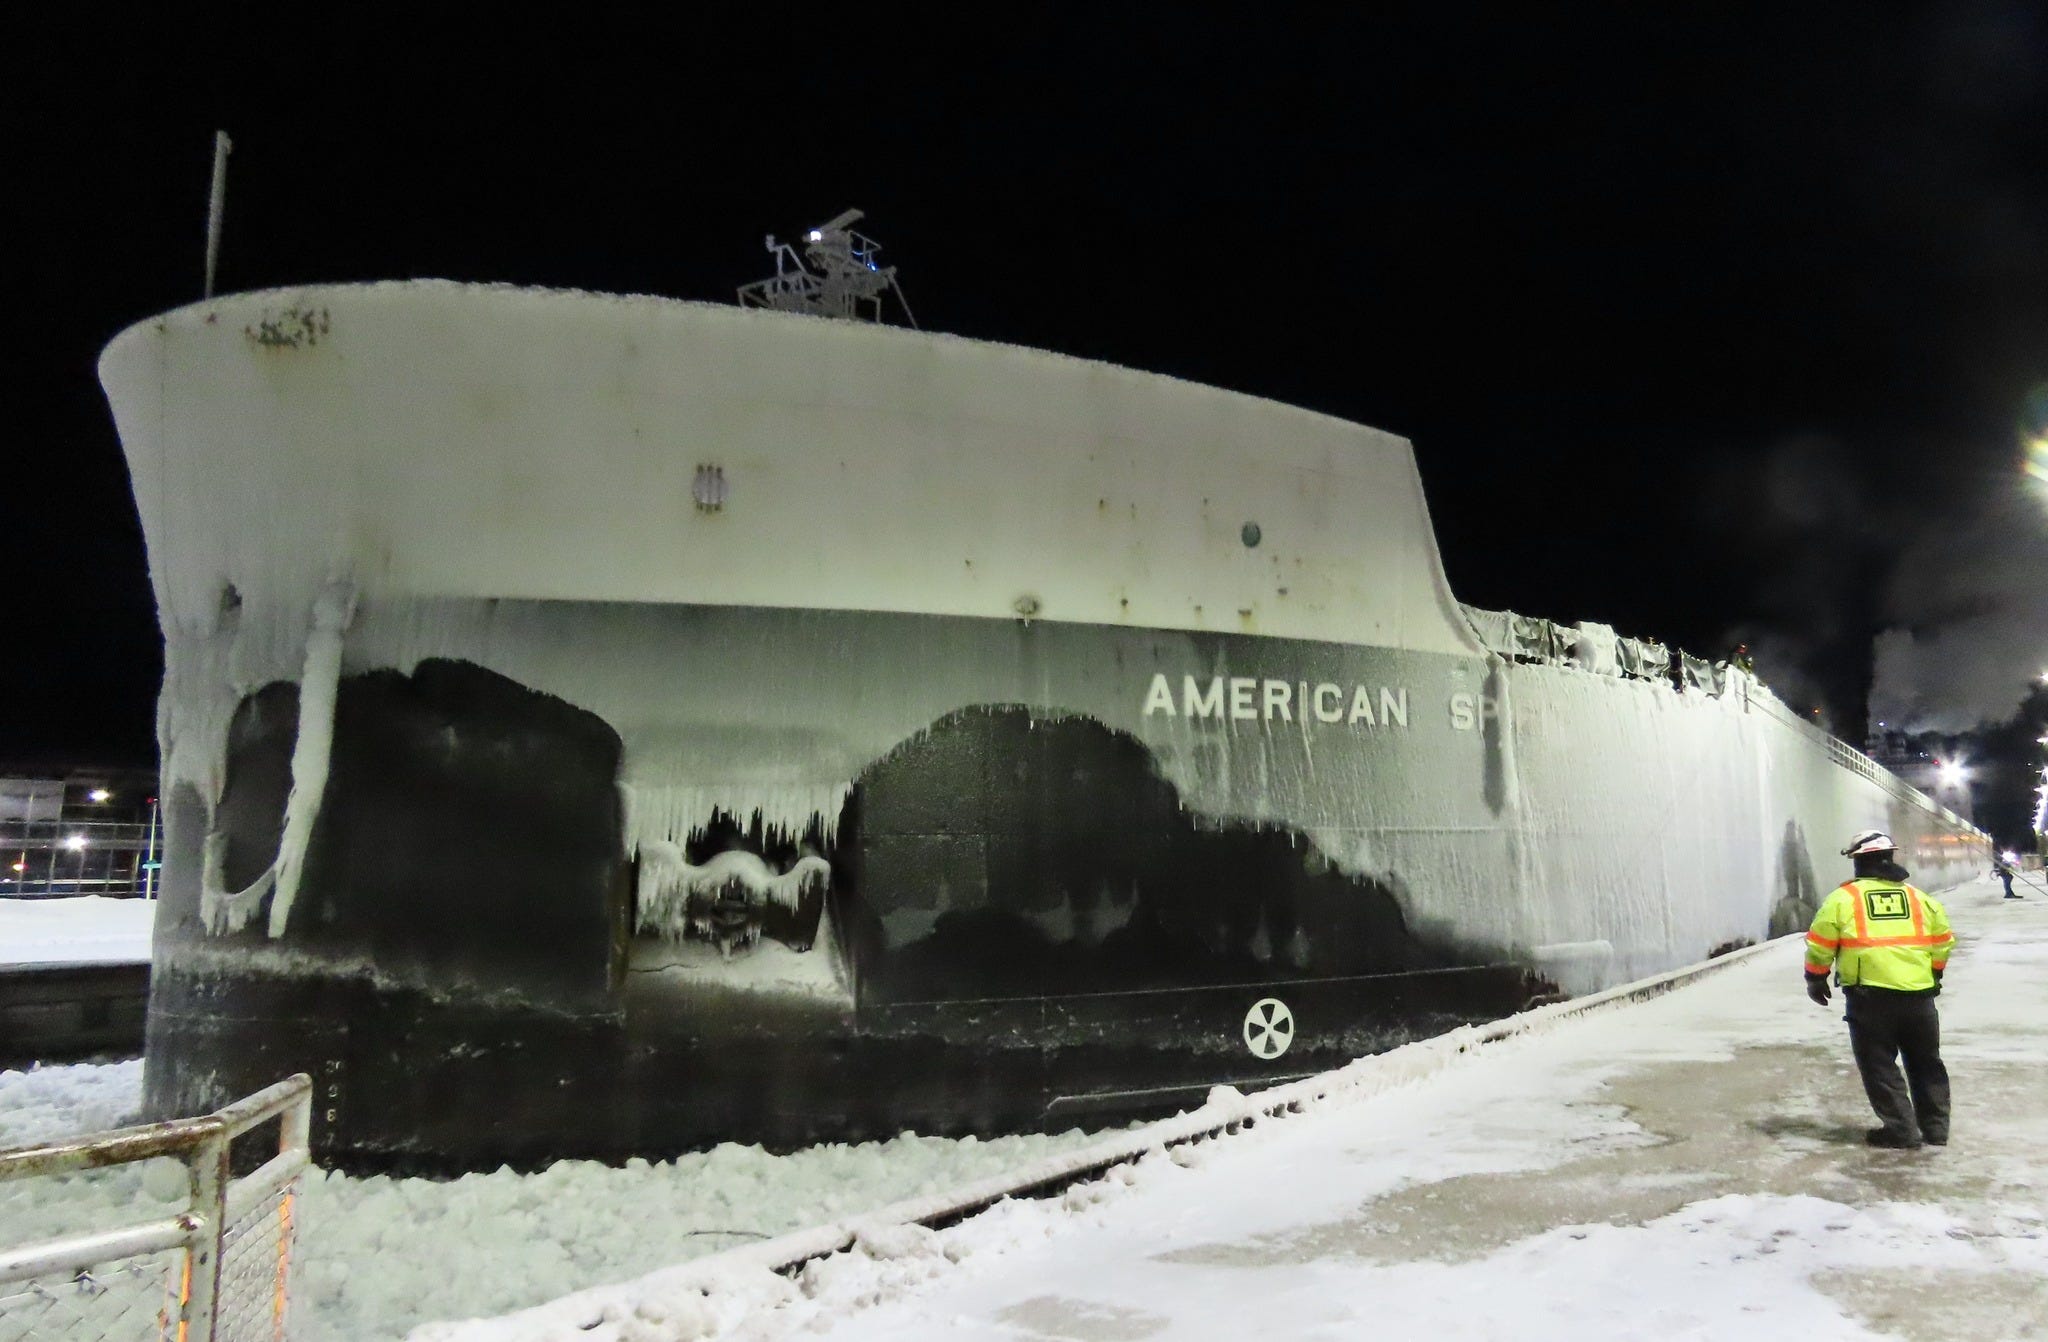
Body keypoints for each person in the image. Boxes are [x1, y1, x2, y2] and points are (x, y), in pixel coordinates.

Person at [1803, 830, 1955, 1149]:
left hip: (1869, 999)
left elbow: (1820, 942)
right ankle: (1936, 1129)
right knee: (1927, 1062)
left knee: (1879, 1065)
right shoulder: (1919, 898)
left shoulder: (1843, 899)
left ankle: (1901, 1131)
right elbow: (1943, 941)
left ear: (1858, 861)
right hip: (1919, 997)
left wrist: (1816, 978)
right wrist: (1934, 974)